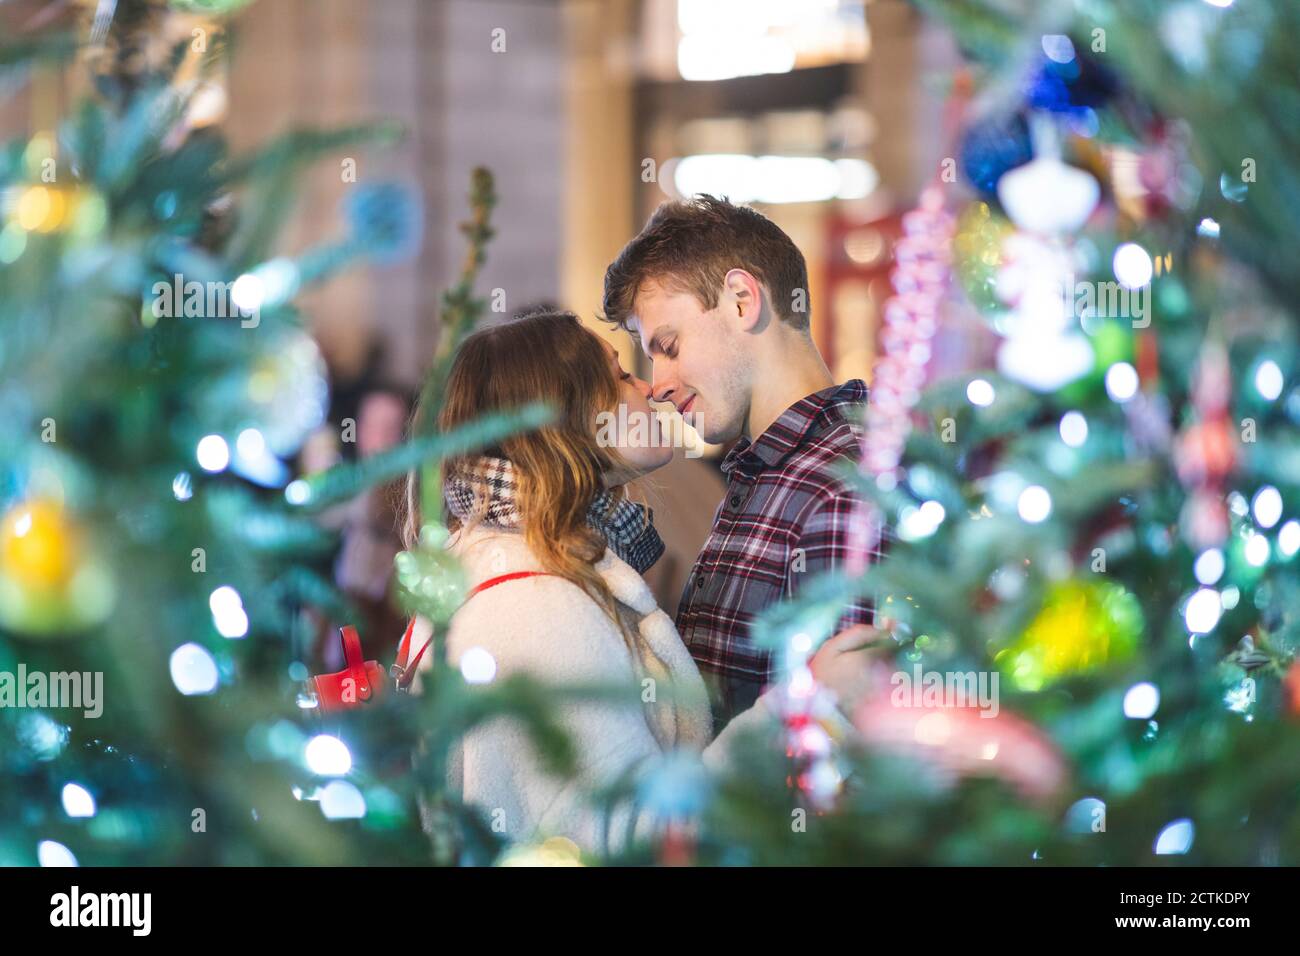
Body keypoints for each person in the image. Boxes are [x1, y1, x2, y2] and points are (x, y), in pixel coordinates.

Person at [404, 309, 872, 852]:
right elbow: (626, 842)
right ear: (567, 415)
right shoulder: (537, 606)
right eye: (622, 376)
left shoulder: (509, 567)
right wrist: (802, 708)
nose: (649, 386)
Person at [602, 194, 887, 727]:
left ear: (740, 300)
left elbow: (846, 751)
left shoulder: (847, 485)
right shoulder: (764, 471)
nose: (658, 386)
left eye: (669, 344)